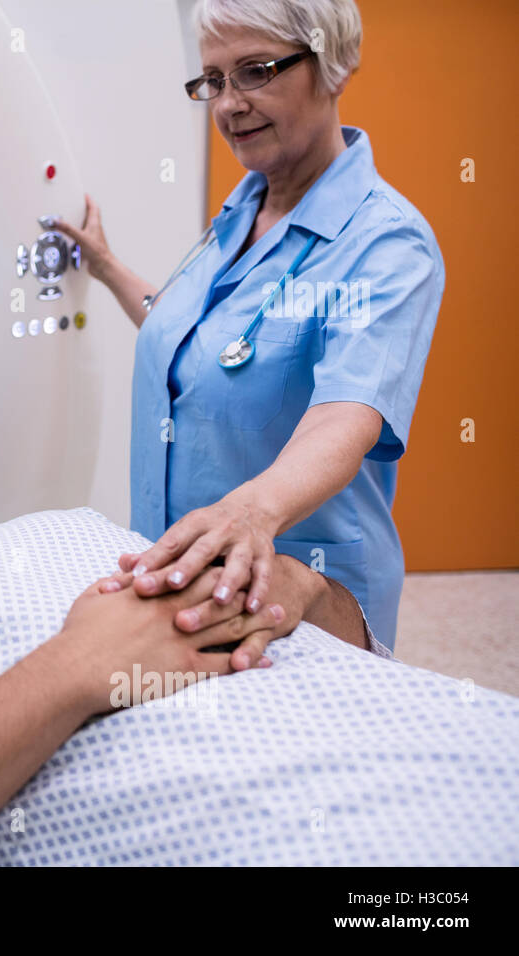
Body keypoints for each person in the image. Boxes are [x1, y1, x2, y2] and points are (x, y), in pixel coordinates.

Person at [0, 427, 518, 867]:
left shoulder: (68, 526)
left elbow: (356, 643)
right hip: (336, 838)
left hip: (448, 737)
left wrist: (302, 590)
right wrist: (78, 668)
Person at [52, 0, 443, 651]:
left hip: (302, 600)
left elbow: (346, 413)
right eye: (213, 80)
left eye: (255, 71)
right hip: (178, 583)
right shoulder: (237, 216)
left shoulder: (386, 242)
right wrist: (106, 266)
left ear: (332, 66)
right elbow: (192, 340)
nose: (229, 104)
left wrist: (250, 513)